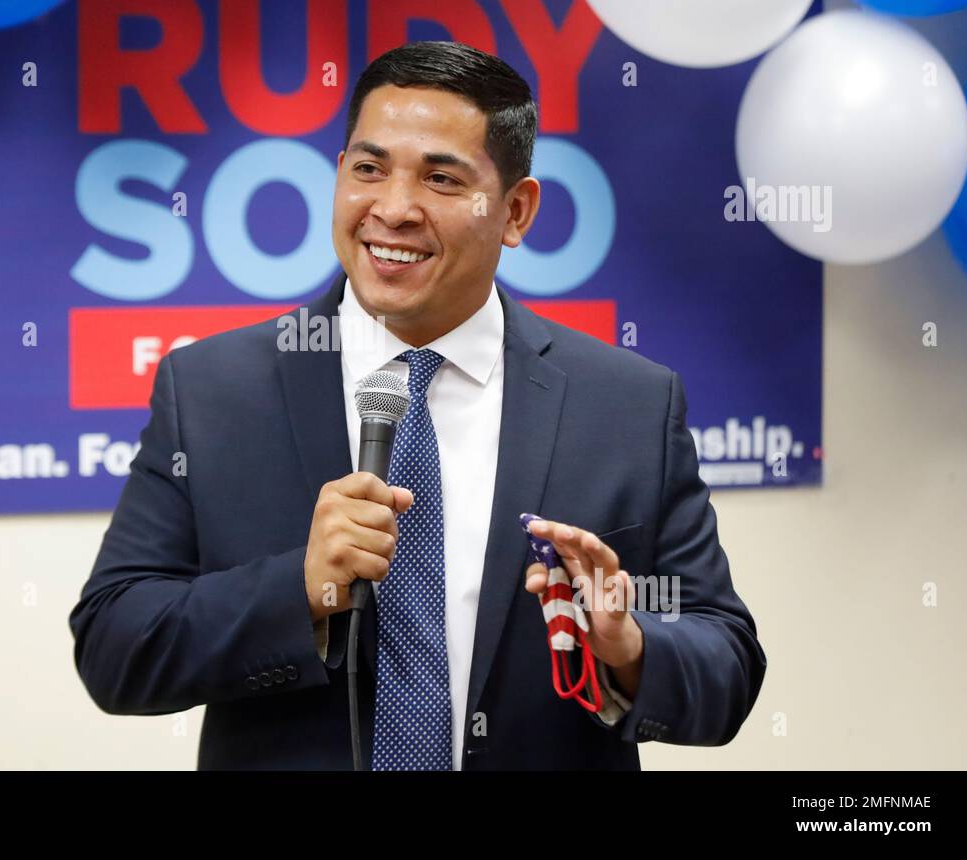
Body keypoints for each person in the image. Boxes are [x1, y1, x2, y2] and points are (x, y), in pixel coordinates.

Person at [69, 40, 766, 770]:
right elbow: (116, 650)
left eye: (439, 178)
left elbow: (726, 665)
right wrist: (298, 590)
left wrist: (629, 649)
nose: (392, 210)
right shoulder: (212, 389)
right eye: (368, 169)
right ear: (339, 178)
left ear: (516, 211)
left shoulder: (628, 404)